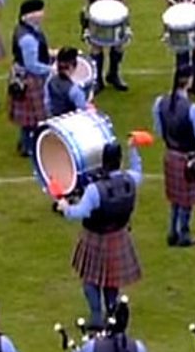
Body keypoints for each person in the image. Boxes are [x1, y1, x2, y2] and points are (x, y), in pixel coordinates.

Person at [57, 140, 144, 328]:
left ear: (103, 161)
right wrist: (133, 149)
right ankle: (111, 312)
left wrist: (65, 208)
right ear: (119, 161)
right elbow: (138, 170)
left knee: (90, 279)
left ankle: (96, 317)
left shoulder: (95, 190)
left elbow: (80, 212)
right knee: (112, 280)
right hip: (119, 236)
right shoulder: (131, 180)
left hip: (95, 237)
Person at [152, 68, 195, 247]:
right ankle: (182, 234)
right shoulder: (193, 109)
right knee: (186, 201)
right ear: (189, 81)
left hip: (170, 154)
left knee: (175, 199)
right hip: (188, 158)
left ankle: (172, 231)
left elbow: (159, 130)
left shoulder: (159, 102)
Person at [8, 0, 53, 156]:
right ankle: (28, 147)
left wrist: (51, 54)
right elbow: (32, 65)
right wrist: (52, 69)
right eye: (38, 11)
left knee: (30, 118)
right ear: (29, 15)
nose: (42, 14)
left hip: (25, 74)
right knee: (33, 118)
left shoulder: (31, 29)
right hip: (30, 78)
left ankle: (25, 143)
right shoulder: (27, 38)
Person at [44, 47, 90, 118]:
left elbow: (46, 102)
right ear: (72, 67)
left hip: (55, 120)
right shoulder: (75, 90)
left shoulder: (50, 80)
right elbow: (83, 110)